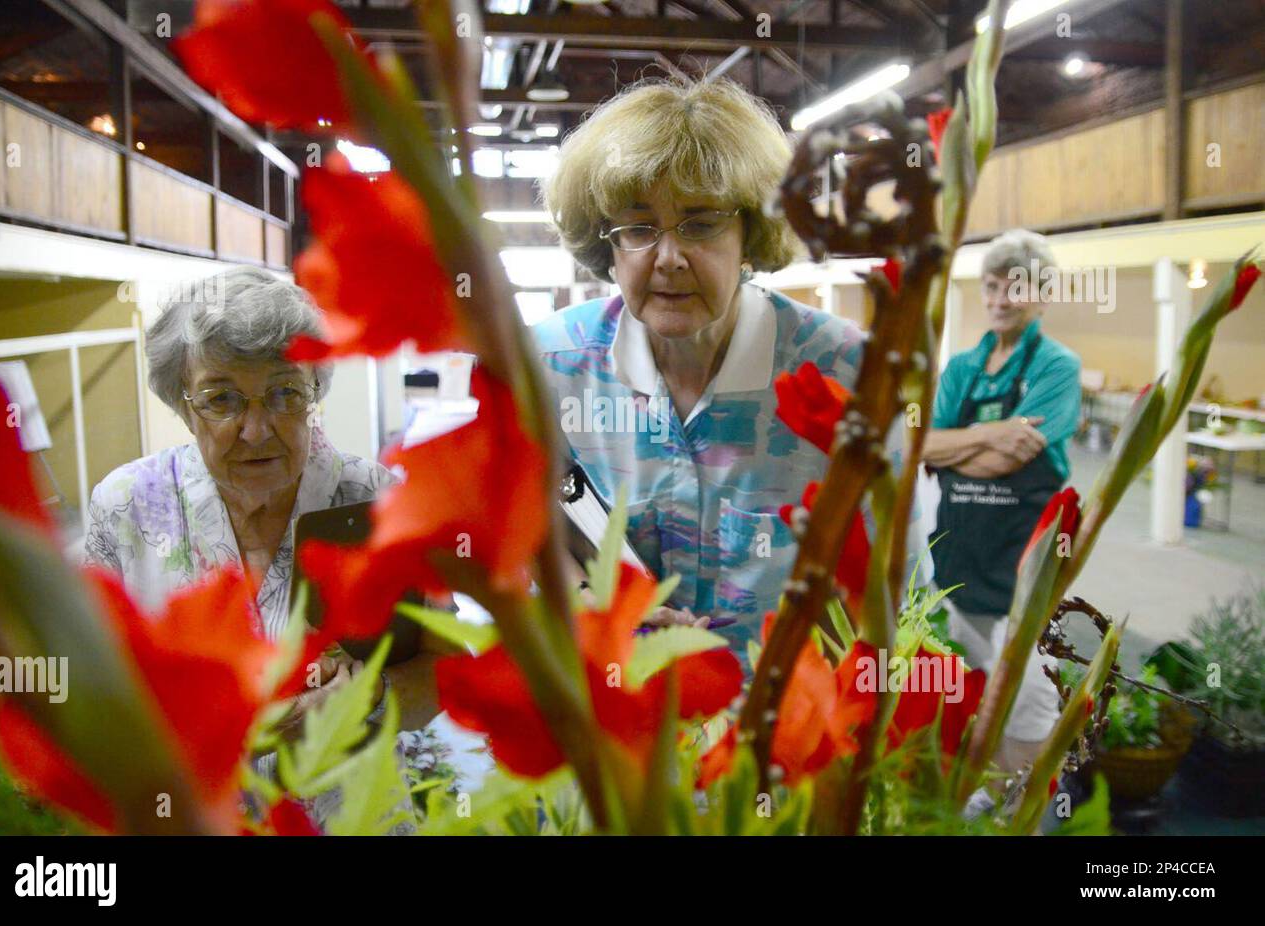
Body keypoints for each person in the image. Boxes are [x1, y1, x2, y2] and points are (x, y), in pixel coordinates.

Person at [532, 77, 932, 657]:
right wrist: (589, 604)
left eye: (700, 223)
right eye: (639, 228)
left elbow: (900, 585)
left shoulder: (849, 372)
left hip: (784, 727)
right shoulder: (551, 365)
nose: (667, 258)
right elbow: (532, 537)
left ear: (751, 231)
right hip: (617, 712)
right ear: (607, 244)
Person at [83, 268, 439, 735]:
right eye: (222, 399)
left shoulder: (376, 498)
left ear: (315, 392)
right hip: (190, 804)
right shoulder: (124, 507)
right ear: (184, 407)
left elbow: (442, 678)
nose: (256, 430)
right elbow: (90, 685)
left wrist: (369, 693)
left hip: (351, 803)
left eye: (284, 393)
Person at [923, 229, 1082, 772]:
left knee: (1029, 699)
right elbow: (921, 444)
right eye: (990, 286)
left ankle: (1019, 815)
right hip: (960, 552)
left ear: (1040, 295)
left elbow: (1011, 460)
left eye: (1013, 288)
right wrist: (992, 433)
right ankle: (972, 805)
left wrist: (954, 447)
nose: (998, 299)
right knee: (963, 687)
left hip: (1022, 564)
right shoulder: (963, 368)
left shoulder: (1056, 366)